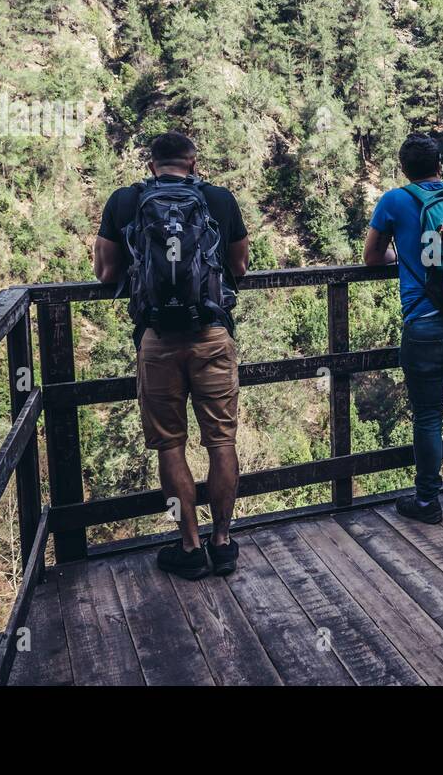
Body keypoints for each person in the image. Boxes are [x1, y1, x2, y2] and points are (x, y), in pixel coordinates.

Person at [93, 130, 250, 579]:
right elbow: (239, 267)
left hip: (158, 339)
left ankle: (190, 546)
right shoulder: (219, 199)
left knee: (170, 445)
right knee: (221, 441)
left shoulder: (126, 201)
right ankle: (223, 544)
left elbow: (105, 273)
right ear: (194, 163)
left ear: (151, 165)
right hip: (212, 334)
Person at [364, 135, 443, 524]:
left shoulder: (394, 201)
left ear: (404, 170)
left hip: (425, 326)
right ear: (440, 166)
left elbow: (372, 257)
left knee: (428, 417)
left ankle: (427, 501)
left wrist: (401, 254)